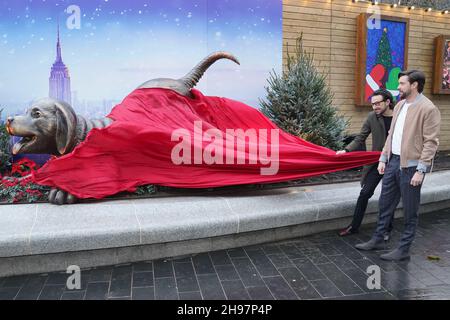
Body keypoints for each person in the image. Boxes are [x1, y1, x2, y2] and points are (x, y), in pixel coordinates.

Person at [355, 70, 441, 261]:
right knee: (385, 204)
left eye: (402, 83)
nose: (398, 87)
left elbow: (431, 142)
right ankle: (379, 238)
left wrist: (421, 169)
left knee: (410, 210)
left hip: (411, 167)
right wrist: (383, 158)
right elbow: (391, 135)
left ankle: (404, 249)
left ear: (414, 85)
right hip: (393, 162)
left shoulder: (428, 109)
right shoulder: (400, 105)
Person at [336, 89, 395, 238]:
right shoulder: (372, 117)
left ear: (388, 102)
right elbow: (360, 138)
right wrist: (346, 150)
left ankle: (387, 229)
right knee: (365, 193)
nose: (374, 107)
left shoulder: (399, 117)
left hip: (395, 162)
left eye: (377, 103)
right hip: (376, 162)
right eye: (372, 104)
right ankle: (354, 227)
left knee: (389, 197)